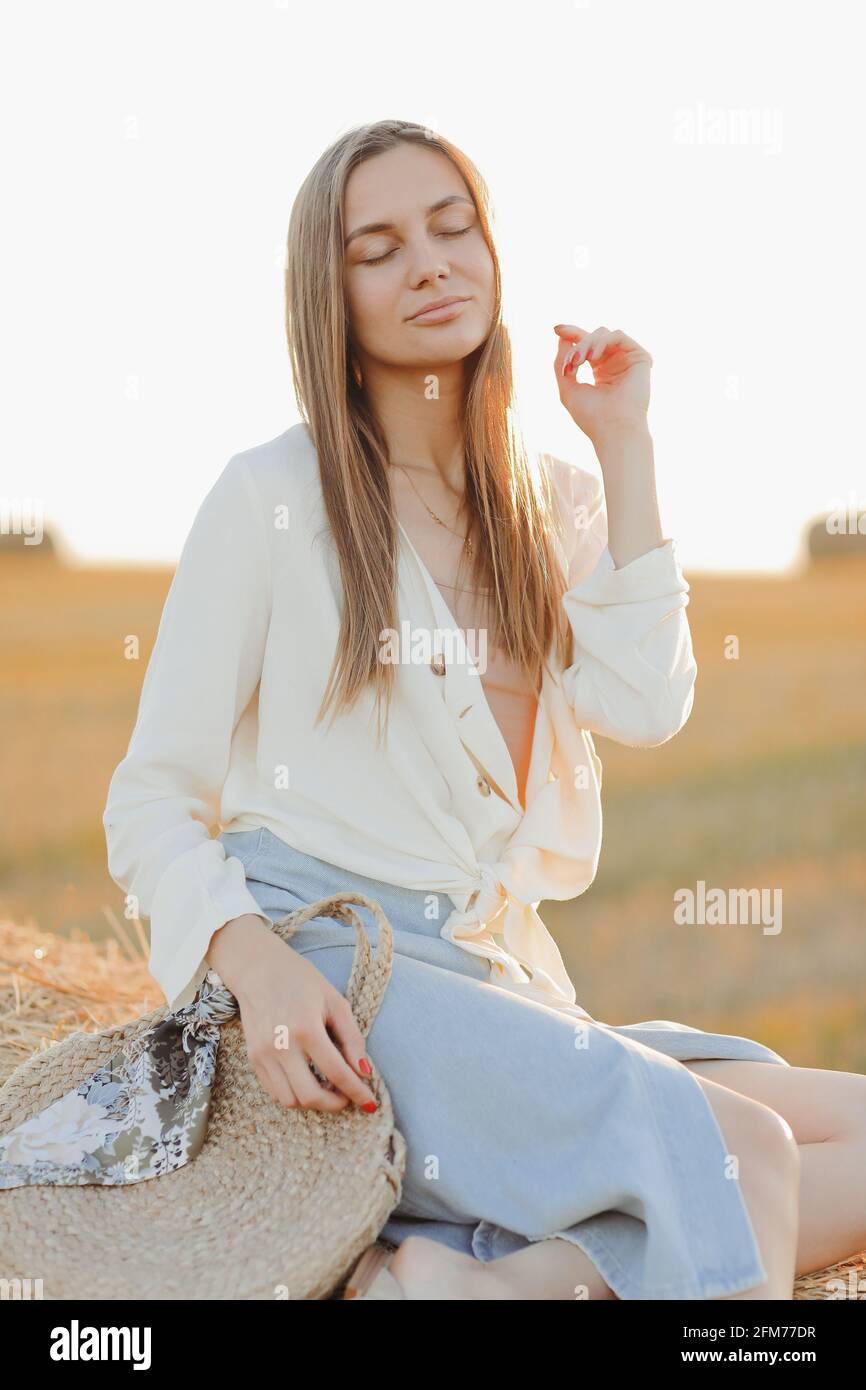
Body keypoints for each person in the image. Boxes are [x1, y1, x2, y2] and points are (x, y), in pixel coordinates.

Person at [102, 120, 866, 1300]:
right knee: (746, 1155)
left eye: (453, 228)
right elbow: (152, 799)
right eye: (381, 246)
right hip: (341, 967)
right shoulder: (269, 497)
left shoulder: (546, 501)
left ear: (493, 251)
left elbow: (646, 701)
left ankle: (487, 1287)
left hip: (498, 980)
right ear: (328, 289)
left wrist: (623, 445)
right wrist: (253, 966)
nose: (429, 264)